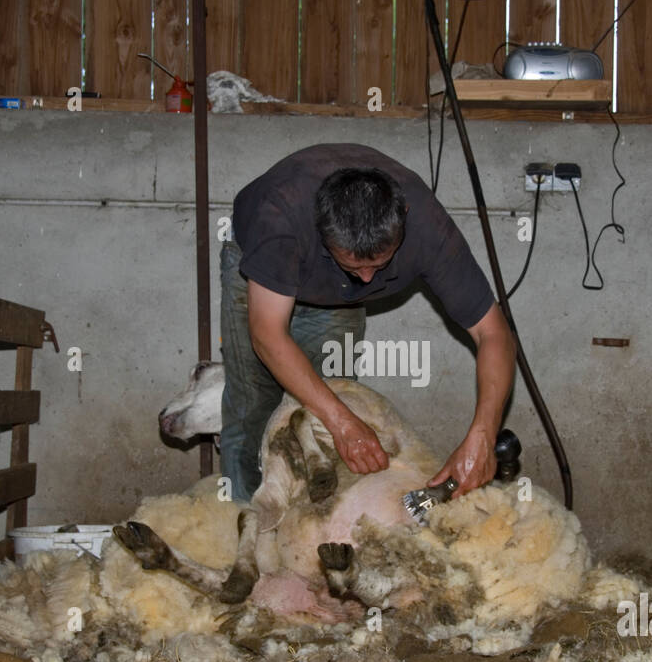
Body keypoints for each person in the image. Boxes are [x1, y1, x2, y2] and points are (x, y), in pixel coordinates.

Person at [221, 142, 516, 505]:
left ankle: (317, 535)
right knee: (252, 408)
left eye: (379, 264)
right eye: (354, 265)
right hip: (263, 273)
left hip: (334, 290)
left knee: (333, 410)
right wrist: (341, 421)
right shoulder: (281, 218)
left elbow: (493, 332)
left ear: (403, 218)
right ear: (321, 231)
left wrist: (484, 434)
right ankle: (243, 526)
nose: (366, 279)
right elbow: (267, 335)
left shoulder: (427, 226)